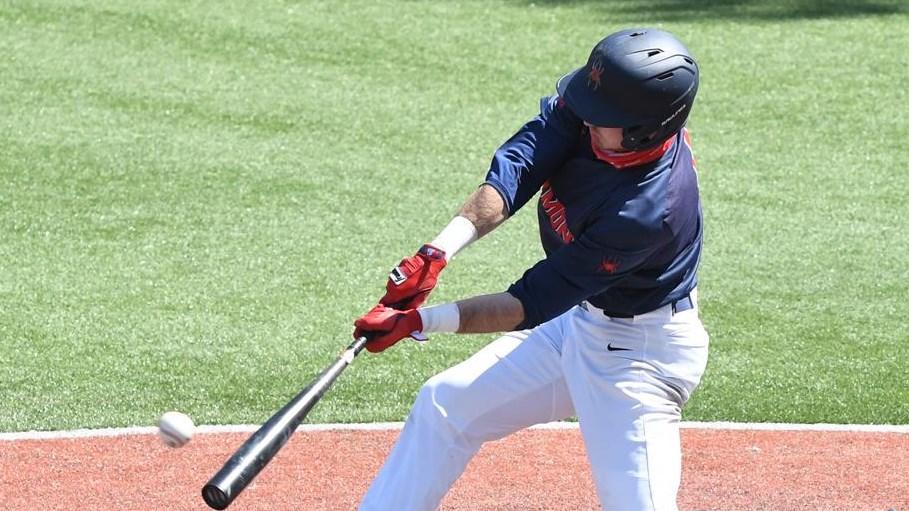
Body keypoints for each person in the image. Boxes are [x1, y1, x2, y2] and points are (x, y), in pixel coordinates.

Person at [353, 27, 709, 511]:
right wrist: (437, 253)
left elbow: (532, 301)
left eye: (602, 115)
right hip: (581, 321)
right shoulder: (594, 113)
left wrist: (420, 320)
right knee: (445, 405)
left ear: (645, 129)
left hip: (638, 357)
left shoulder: (647, 211)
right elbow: (520, 166)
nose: (586, 117)